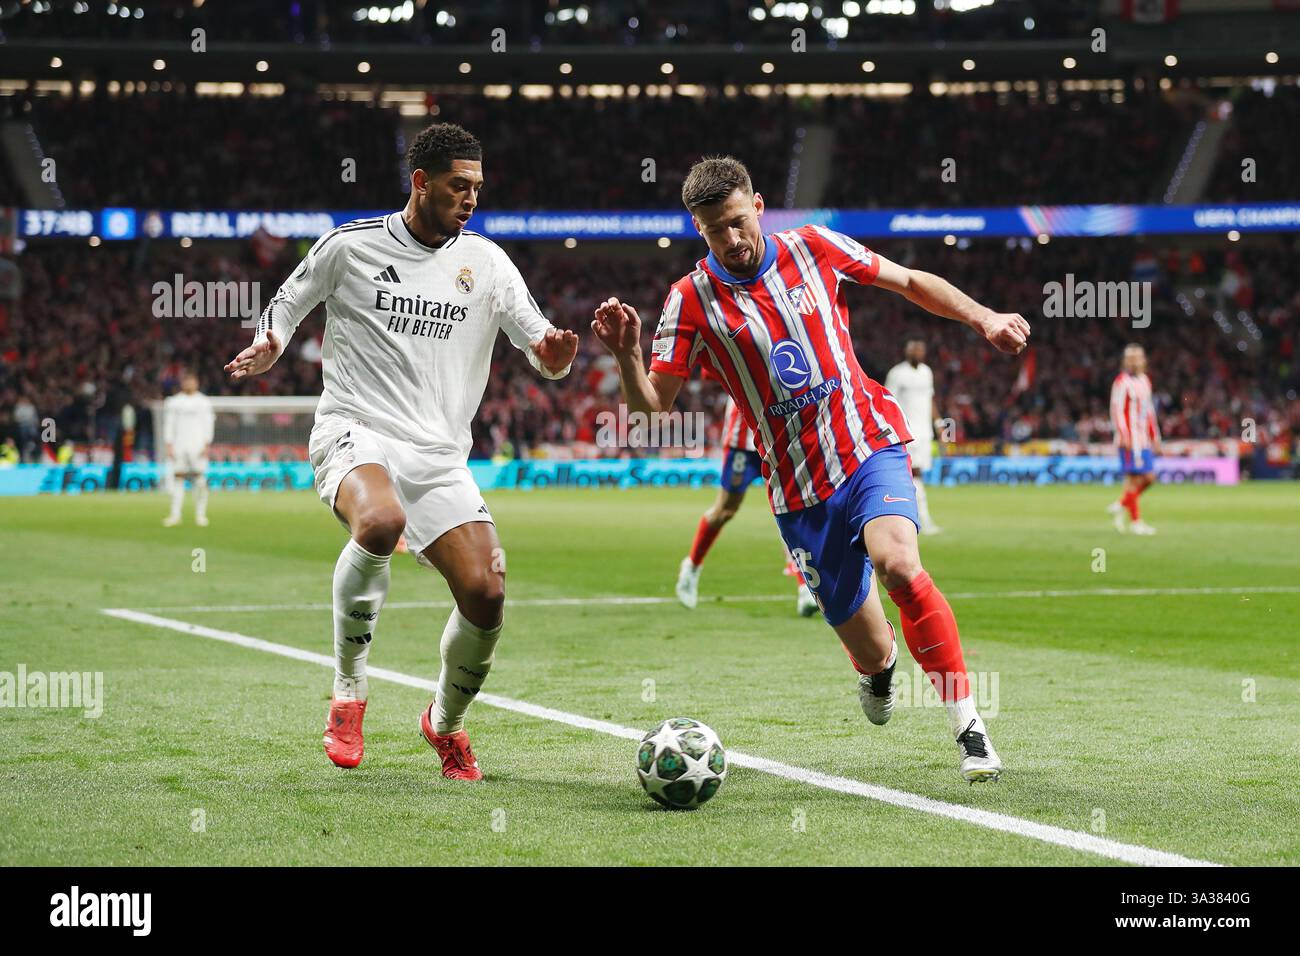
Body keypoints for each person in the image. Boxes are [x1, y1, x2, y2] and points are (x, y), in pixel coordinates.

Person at [591, 156, 1030, 782]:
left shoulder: (814, 247)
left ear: (759, 206)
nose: (732, 239)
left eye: (739, 222)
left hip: (866, 440)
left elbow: (908, 280)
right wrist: (627, 356)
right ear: (698, 229)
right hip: (797, 489)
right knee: (872, 649)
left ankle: (970, 727)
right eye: (716, 231)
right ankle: (879, 671)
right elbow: (652, 406)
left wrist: (984, 317)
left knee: (900, 565)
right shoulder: (689, 299)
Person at [224, 123, 578, 780]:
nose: (471, 199)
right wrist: (272, 340)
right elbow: (290, 300)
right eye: (458, 185)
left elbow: (541, 346)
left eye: (477, 187)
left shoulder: (489, 263)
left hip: (439, 456)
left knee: (487, 592)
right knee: (381, 521)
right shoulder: (350, 245)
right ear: (420, 181)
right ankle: (348, 690)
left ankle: (444, 723)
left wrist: (555, 356)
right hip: (356, 429)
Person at [676, 393, 819, 616]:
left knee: (789, 508)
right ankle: (692, 565)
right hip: (743, 441)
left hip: (779, 434)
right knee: (725, 510)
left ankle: (804, 588)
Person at [884, 338, 941, 534]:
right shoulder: (897, 373)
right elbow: (888, 402)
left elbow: (930, 399)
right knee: (913, 474)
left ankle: (916, 519)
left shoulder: (926, 372)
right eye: (913, 349)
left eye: (920, 349)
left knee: (917, 474)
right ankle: (922, 520)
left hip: (925, 432)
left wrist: (939, 423)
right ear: (906, 351)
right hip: (907, 432)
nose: (917, 352)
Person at [1108, 344, 1160, 535]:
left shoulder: (1145, 381)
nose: (1134, 362)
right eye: (1131, 358)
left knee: (1149, 478)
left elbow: (1149, 411)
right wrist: (1123, 434)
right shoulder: (1121, 382)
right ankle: (1136, 523)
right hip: (1130, 440)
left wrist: (1155, 436)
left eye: (1137, 358)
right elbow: (1116, 410)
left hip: (1143, 439)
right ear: (1126, 361)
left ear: (1143, 360)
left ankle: (1121, 505)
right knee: (1133, 479)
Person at [161, 372, 214, 527]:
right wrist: (168, 444)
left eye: (192, 381)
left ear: (197, 383)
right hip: (179, 445)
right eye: (187, 381)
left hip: (198, 446)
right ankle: (175, 515)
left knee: (200, 480)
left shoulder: (204, 402)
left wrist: (207, 444)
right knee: (177, 479)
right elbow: (169, 424)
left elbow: (208, 424)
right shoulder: (174, 402)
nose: (189, 384)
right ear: (182, 383)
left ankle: (201, 515)